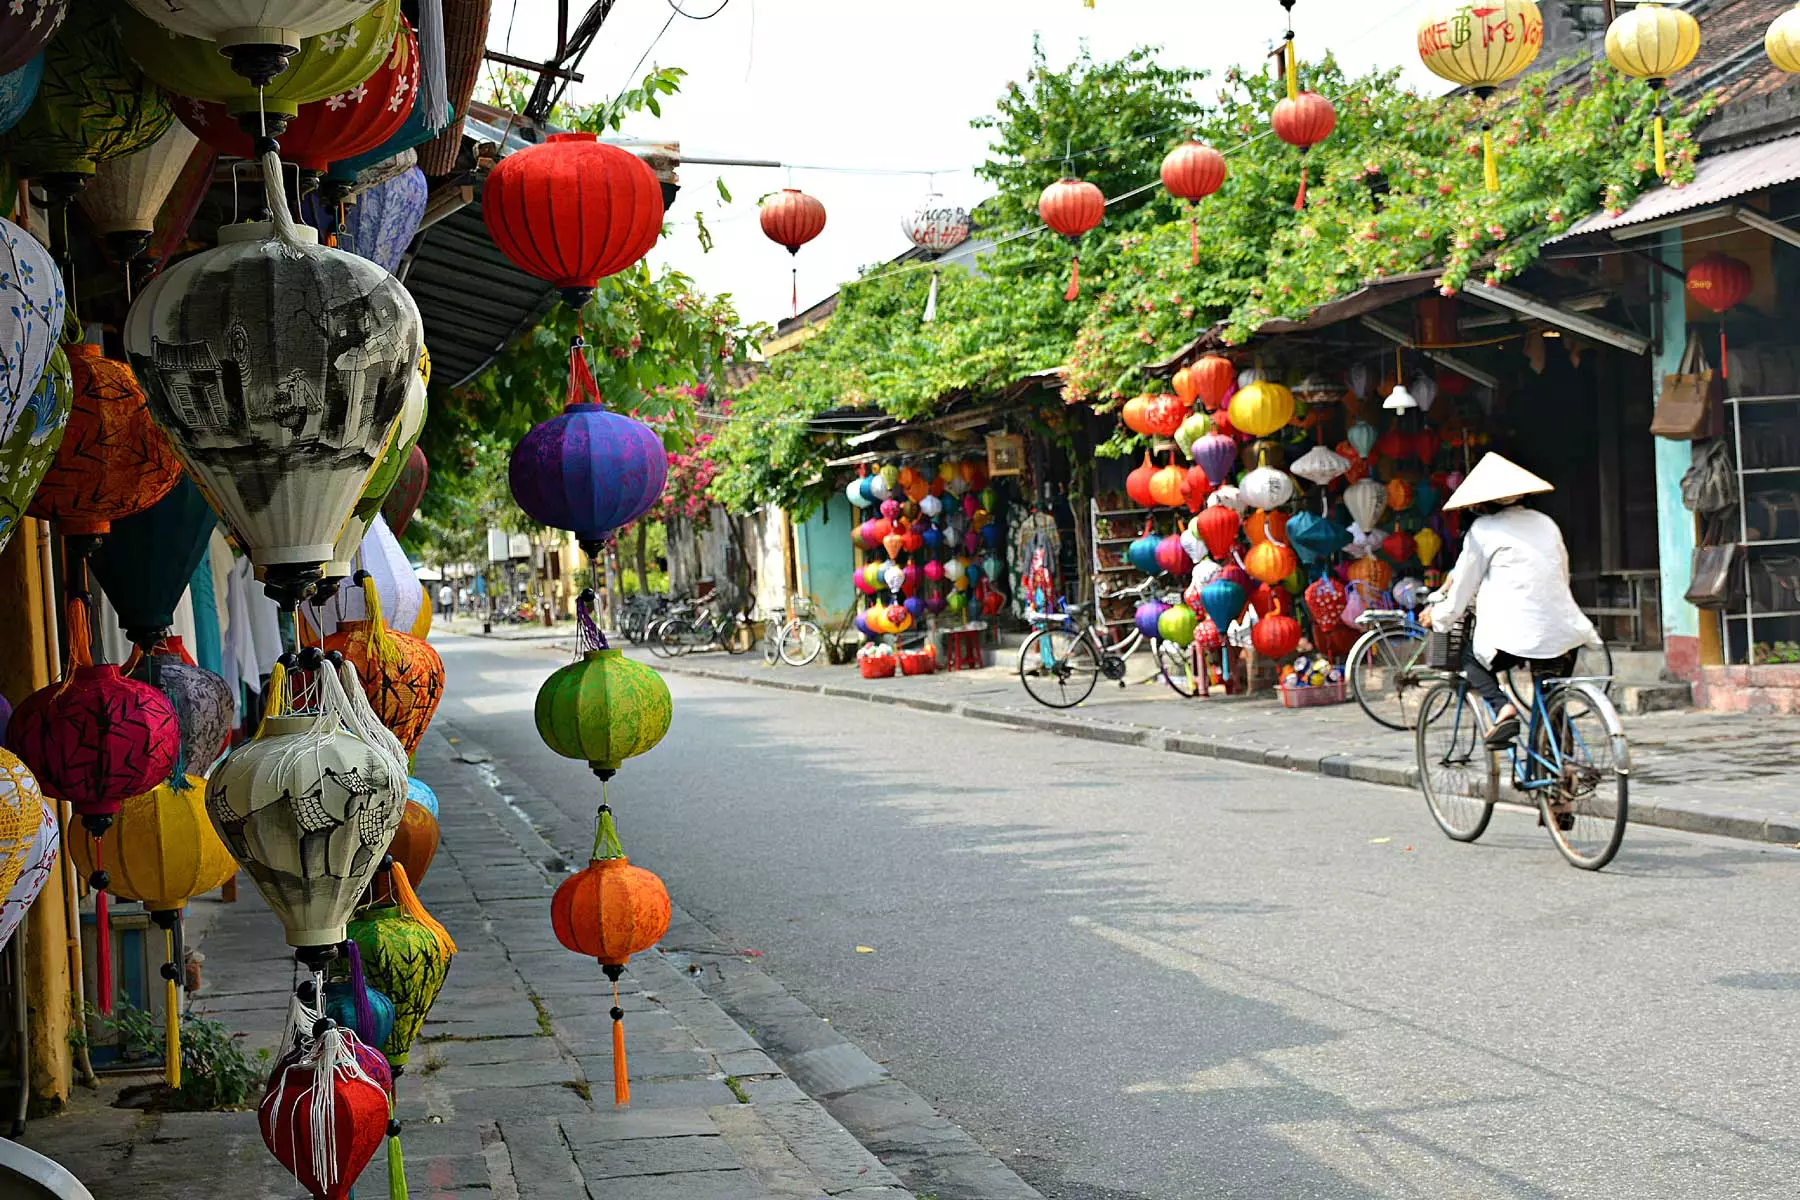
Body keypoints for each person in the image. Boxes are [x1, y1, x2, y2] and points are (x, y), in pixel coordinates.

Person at [1422, 453, 1599, 751]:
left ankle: (1503, 708)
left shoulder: (1482, 531)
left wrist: (1437, 618)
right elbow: (1560, 574)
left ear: (1480, 504)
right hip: (1565, 628)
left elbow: (1461, 592)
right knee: (1549, 698)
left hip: (1515, 635)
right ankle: (1561, 776)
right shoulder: (1547, 523)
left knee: (1470, 660)